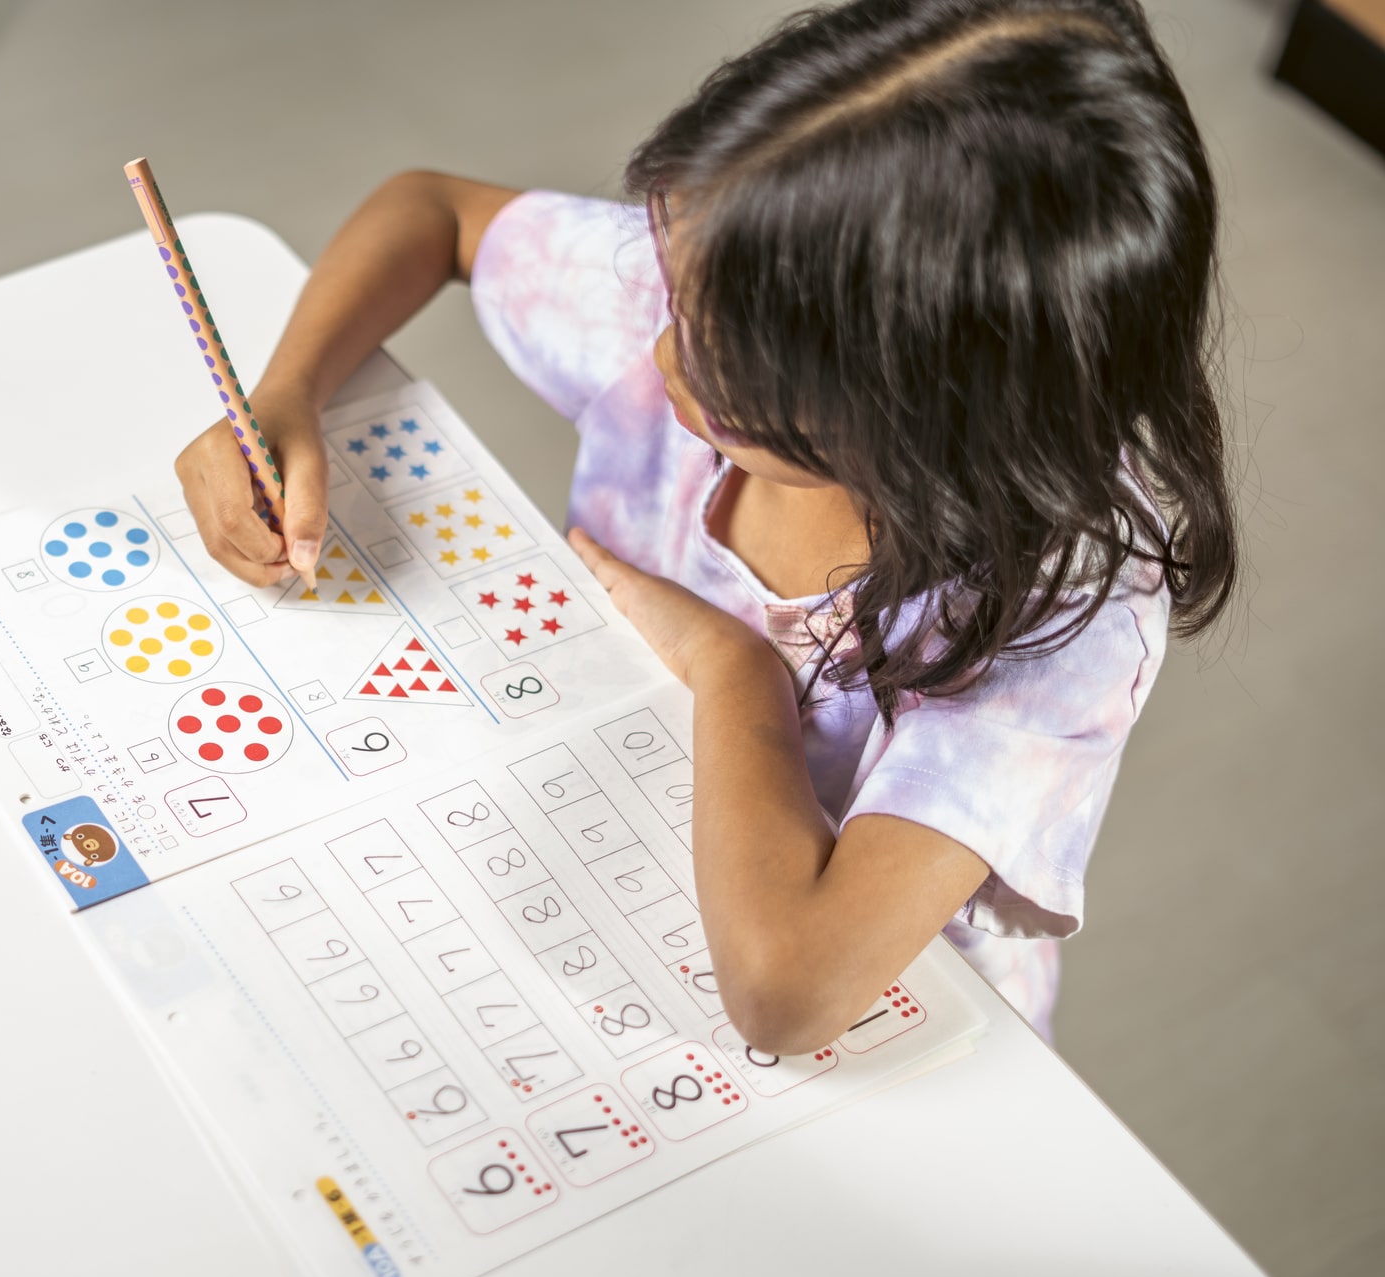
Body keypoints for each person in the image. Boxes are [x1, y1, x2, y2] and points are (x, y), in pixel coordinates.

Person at [173, 0, 1239, 1049]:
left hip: (900, 1021)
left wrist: (731, 667)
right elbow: (433, 209)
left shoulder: (1063, 609)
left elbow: (790, 992)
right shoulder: (737, 268)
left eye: (730, 369)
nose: (667, 352)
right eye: (678, 294)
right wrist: (286, 393)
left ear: (921, 416)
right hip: (600, 827)